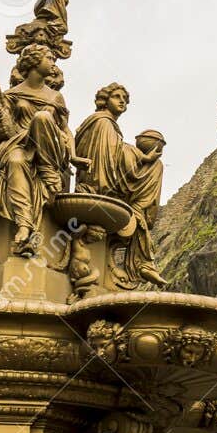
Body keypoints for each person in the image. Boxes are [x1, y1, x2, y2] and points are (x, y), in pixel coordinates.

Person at [73, 84, 166, 286]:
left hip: (110, 178)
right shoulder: (103, 123)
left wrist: (142, 156)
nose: (122, 101)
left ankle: (142, 259)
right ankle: (141, 259)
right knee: (155, 167)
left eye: (125, 98)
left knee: (156, 166)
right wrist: (142, 156)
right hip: (101, 182)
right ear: (105, 100)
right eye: (116, 96)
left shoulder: (108, 126)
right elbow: (113, 155)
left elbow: (118, 152)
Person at [0, 43, 74, 256]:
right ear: (34, 61)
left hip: (50, 149)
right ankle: (24, 226)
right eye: (49, 58)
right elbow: (2, 130)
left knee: (42, 117)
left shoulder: (55, 97)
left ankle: (46, 168)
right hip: (19, 143)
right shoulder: (11, 94)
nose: (53, 63)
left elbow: (65, 129)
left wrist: (74, 155)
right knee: (15, 161)